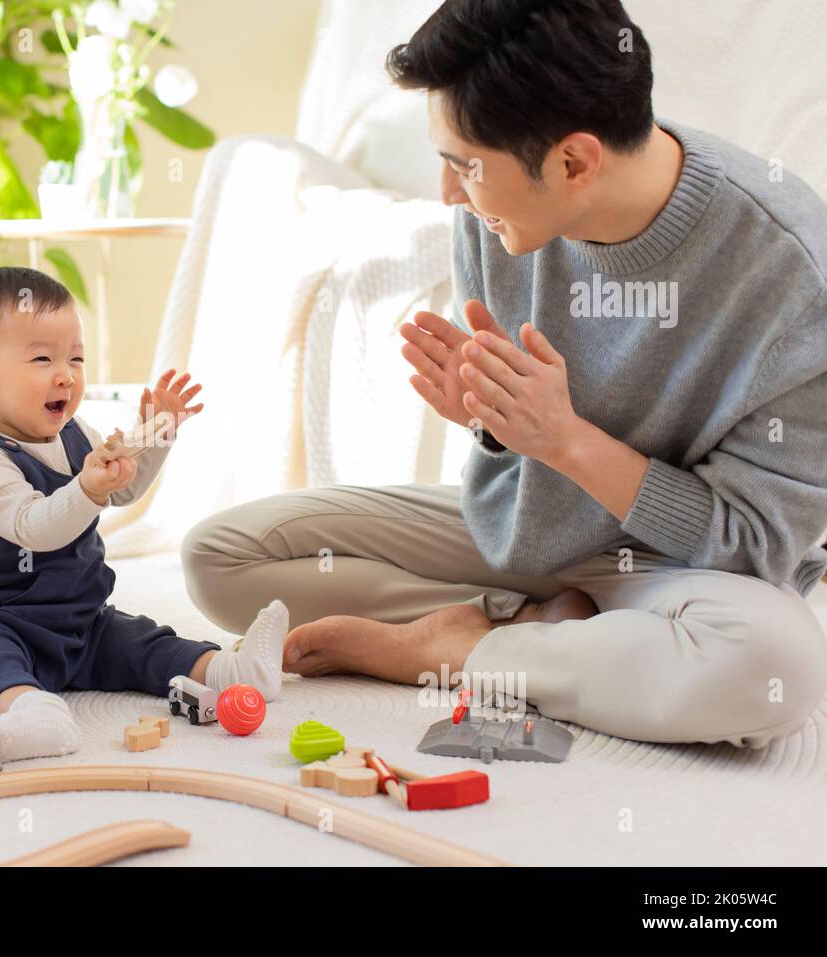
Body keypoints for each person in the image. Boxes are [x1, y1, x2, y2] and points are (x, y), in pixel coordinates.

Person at [181, 0, 827, 748]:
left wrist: (565, 441)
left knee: (777, 665)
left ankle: (464, 648)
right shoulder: (492, 219)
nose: (449, 193)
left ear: (574, 161)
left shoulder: (793, 276)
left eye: (464, 167)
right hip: (525, 541)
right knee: (220, 561)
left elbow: (755, 544)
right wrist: (491, 425)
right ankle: (532, 626)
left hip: (675, 575)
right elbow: (511, 461)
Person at [0, 267, 288, 761]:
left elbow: (125, 485)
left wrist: (157, 434)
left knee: (142, 642)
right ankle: (30, 713)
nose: (65, 374)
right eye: (42, 358)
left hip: (78, 622)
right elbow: (36, 527)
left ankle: (233, 671)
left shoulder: (76, 435)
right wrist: (88, 488)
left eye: (75, 357)